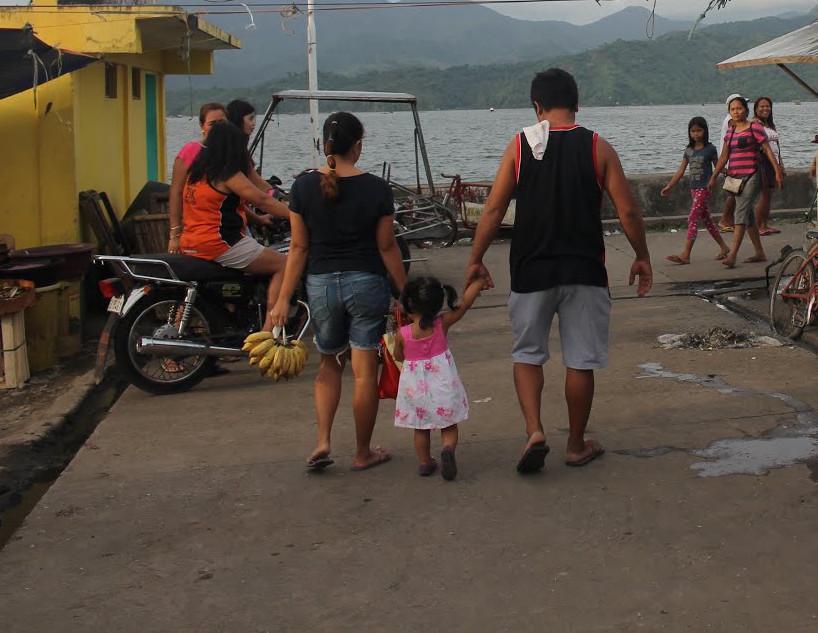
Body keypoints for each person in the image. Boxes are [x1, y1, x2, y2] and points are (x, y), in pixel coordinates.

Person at [466, 68, 653, 474]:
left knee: (528, 355)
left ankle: (534, 430)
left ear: (537, 107)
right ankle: (574, 444)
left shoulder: (519, 146)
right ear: (577, 104)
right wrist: (642, 256)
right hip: (584, 270)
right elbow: (628, 210)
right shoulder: (598, 147)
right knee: (580, 361)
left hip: (531, 269)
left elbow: (494, 209)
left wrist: (475, 258)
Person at [267, 111, 410, 472]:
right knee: (364, 373)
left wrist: (283, 299)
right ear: (357, 146)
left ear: (325, 145)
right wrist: (406, 292)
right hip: (366, 284)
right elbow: (387, 247)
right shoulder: (377, 188)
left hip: (321, 286)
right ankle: (362, 452)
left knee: (329, 365)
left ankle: (323, 441)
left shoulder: (302, 187)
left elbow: (298, 248)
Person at [180, 122, 290, 298]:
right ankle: (271, 323)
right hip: (220, 244)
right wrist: (297, 214)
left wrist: (259, 219)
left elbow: (216, 205)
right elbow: (262, 200)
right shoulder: (226, 173)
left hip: (191, 242)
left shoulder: (196, 173)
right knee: (286, 264)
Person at [394, 275, 483, 480]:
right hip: (443, 385)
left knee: (420, 427)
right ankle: (448, 449)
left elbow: (399, 356)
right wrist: (478, 283)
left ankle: (425, 463)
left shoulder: (403, 333)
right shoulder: (442, 323)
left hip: (416, 389)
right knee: (449, 424)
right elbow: (465, 304)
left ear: (409, 304)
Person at [707, 95, 783, 269]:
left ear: (746, 110)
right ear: (729, 112)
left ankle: (732, 255)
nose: (736, 112)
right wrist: (713, 177)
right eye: (733, 109)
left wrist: (777, 171)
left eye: (739, 108)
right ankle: (759, 253)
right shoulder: (730, 132)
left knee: (740, 213)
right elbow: (724, 156)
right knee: (748, 216)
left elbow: (768, 150)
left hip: (752, 176)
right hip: (734, 178)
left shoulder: (754, 128)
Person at [659, 116, 727, 265]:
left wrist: (728, 172)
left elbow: (718, 166)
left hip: (705, 189)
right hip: (693, 189)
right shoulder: (689, 150)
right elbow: (681, 170)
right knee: (707, 220)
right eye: (693, 131)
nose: (696, 134)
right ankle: (724, 247)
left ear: (705, 131)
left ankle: (686, 254)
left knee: (693, 218)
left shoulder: (710, 149)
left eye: (699, 130)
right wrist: (669, 186)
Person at [168, 102, 226, 255]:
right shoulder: (190, 152)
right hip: (202, 235)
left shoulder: (233, 152)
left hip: (233, 230)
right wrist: (174, 236)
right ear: (202, 126)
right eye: (212, 123)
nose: (218, 128)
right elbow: (175, 193)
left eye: (222, 123)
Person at [752, 96, 783, 236]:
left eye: (768, 106)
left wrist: (781, 165)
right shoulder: (755, 124)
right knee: (764, 195)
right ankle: (758, 226)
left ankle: (765, 224)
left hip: (774, 162)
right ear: (756, 109)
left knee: (769, 195)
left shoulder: (771, 126)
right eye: (762, 106)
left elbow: (777, 146)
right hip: (763, 161)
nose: (765, 109)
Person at [719, 93, 748, 232]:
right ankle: (725, 219)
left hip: (731, 161)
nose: (738, 111)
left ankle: (729, 219)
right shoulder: (731, 120)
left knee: (735, 191)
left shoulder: (728, 118)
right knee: (733, 191)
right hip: (731, 161)